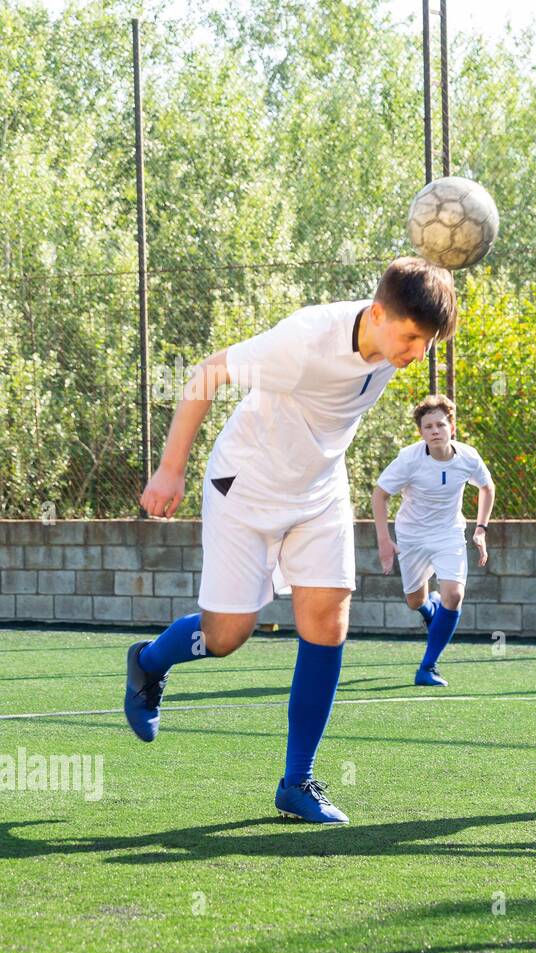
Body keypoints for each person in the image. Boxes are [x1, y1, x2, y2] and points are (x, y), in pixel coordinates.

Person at [124, 258, 457, 824]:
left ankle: (297, 781)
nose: (417, 353)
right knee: (226, 636)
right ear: (377, 315)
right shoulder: (304, 340)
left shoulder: (392, 335)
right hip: (245, 487)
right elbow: (207, 373)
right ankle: (150, 662)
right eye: (410, 337)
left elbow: (411, 287)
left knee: (328, 620)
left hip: (319, 490)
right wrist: (170, 469)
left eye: (427, 343)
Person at [372, 393, 494, 687]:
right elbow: (380, 495)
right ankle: (430, 609)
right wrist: (383, 540)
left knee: (454, 594)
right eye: (428, 427)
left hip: (449, 533)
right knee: (415, 601)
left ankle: (427, 667)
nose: (435, 431)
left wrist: (480, 529)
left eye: (440, 424)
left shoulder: (468, 456)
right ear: (421, 432)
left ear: (452, 427)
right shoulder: (408, 459)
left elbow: (487, 488)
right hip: (412, 535)